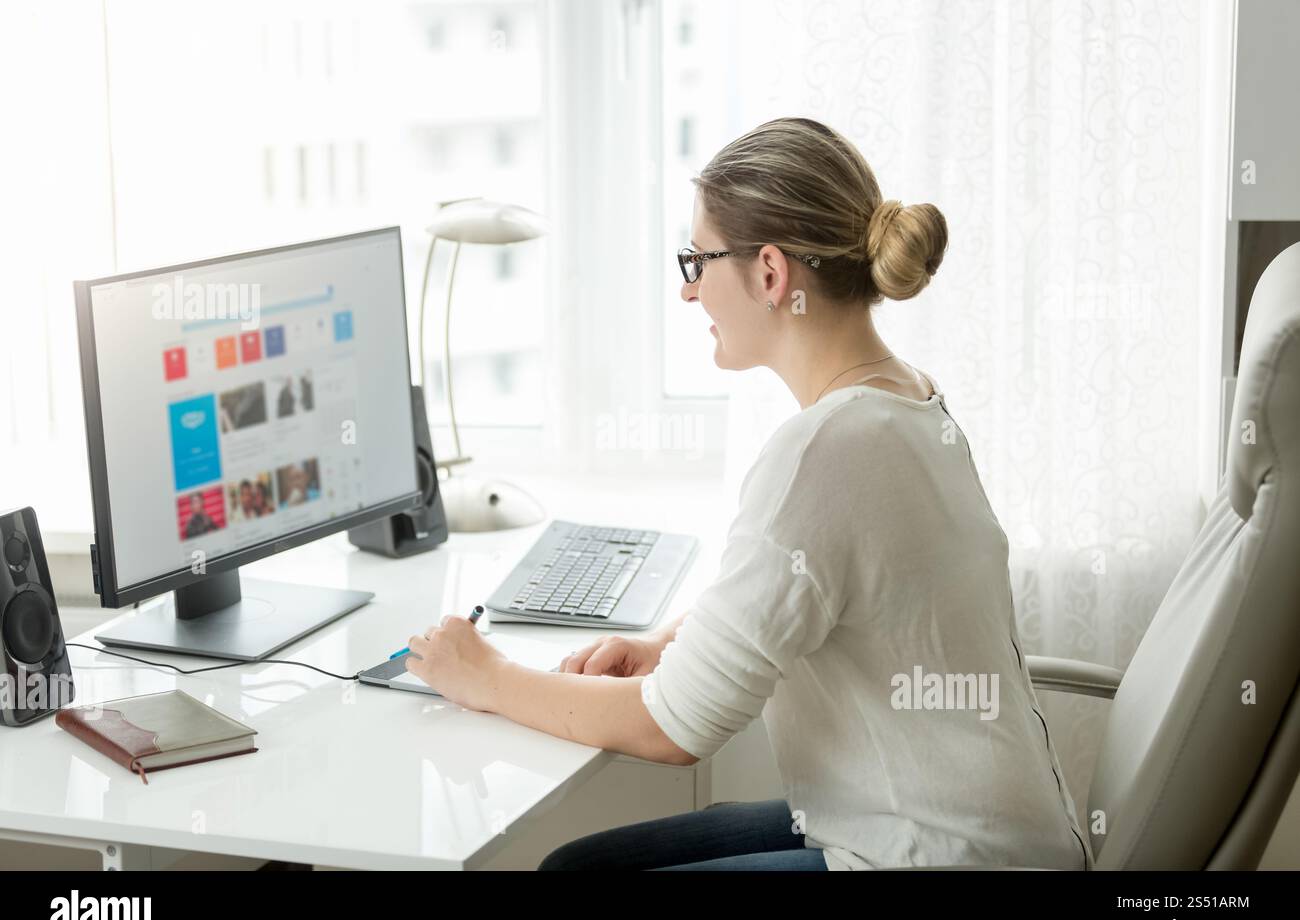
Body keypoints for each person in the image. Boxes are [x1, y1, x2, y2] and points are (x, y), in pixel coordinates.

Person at [401, 118, 1090, 871]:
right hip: (993, 832)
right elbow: (819, 583)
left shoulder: (825, 453)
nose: (689, 290)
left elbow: (673, 731)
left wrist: (486, 678)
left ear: (770, 274)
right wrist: (668, 644)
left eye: (698, 260)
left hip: (939, 855)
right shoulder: (909, 401)